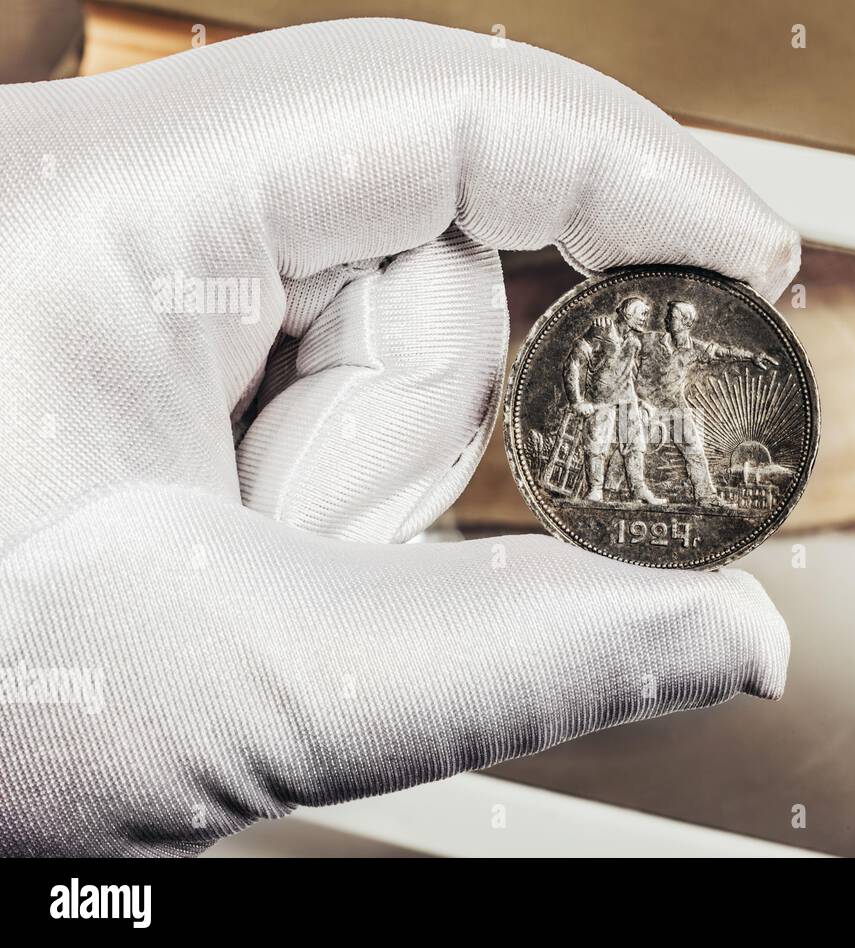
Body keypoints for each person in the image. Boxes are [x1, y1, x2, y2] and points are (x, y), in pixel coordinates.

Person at [0, 19, 800, 855]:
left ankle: (694, 489)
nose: (652, 316)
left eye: (654, 311)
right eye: (648, 309)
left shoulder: (676, 343)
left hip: (653, 415)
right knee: (625, 459)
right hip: (613, 419)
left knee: (682, 458)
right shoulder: (615, 345)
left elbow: (706, 352)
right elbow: (591, 381)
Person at [638, 300, 778, 506]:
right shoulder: (650, 339)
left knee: (694, 450)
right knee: (629, 447)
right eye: (668, 315)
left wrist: (751, 356)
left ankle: (706, 497)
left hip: (675, 407)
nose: (666, 319)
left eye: (672, 317)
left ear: (686, 322)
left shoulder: (694, 348)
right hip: (645, 405)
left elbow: (722, 352)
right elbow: (621, 342)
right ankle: (611, 490)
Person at [564, 295, 665, 504]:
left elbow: (626, 377)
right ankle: (595, 490)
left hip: (627, 402)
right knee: (596, 446)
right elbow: (573, 362)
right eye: (642, 313)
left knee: (636, 446)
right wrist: (576, 401)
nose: (646, 318)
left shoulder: (634, 342)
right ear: (627, 313)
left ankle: (639, 490)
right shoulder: (601, 330)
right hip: (600, 401)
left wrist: (639, 401)